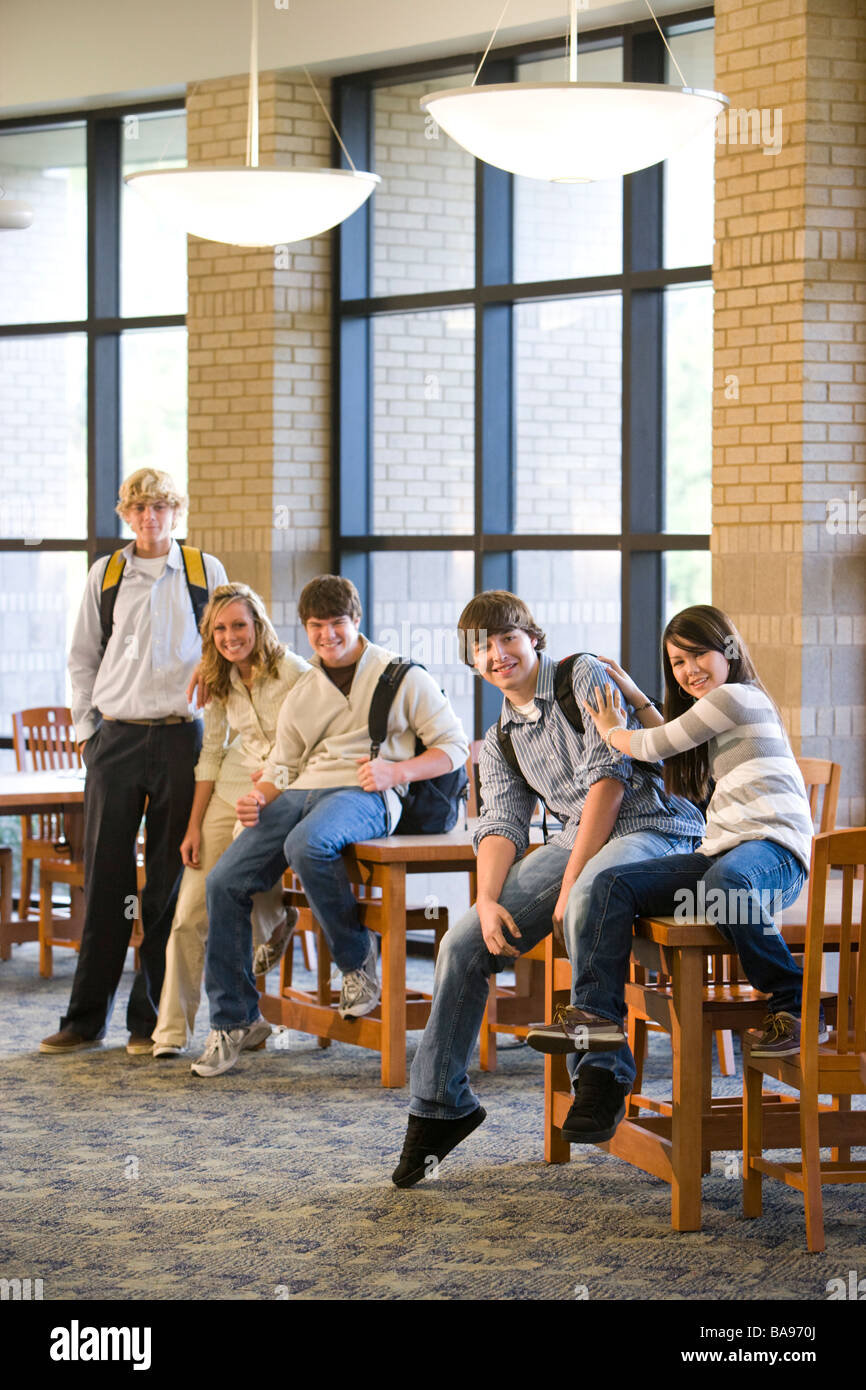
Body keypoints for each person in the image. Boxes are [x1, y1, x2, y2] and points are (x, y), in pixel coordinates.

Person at [390, 590, 705, 1187]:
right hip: (577, 841)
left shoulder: (580, 675)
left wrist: (573, 881)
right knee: (463, 943)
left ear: (531, 637)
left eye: (507, 638)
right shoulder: (503, 734)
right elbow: (501, 824)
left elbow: (608, 782)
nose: (497, 654)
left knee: (590, 895)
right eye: (482, 648)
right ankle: (440, 1106)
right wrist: (485, 902)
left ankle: (602, 1071)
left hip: (655, 828)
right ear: (473, 663)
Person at [528, 604, 817, 1147]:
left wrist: (613, 726)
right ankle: (597, 1017)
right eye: (677, 662)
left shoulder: (739, 698)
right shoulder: (717, 710)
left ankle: (792, 1004)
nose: (689, 671)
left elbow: (654, 745)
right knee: (610, 883)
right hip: (724, 853)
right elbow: (677, 743)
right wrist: (637, 699)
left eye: (698, 655)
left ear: (727, 649)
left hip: (773, 852)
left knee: (725, 886)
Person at [190, 574, 470, 1078]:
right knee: (223, 881)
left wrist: (397, 771)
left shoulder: (400, 676)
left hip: (368, 792)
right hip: (302, 791)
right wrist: (259, 795)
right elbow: (284, 762)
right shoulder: (306, 687)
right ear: (305, 629)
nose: (326, 636)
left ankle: (356, 961)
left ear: (355, 620)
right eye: (316, 627)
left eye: (336, 624)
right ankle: (234, 1019)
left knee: (308, 844)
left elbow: (454, 746)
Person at [40, 469, 227, 1055]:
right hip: (114, 744)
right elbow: (81, 659)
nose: (151, 518)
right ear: (127, 515)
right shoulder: (107, 574)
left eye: (161, 508)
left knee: (167, 888)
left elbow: (229, 645)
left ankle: (149, 1022)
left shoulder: (205, 572)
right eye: (140, 508)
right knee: (107, 884)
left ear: (177, 513)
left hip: (180, 741)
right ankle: (83, 1020)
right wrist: (86, 736)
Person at [151, 583, 310, 1058]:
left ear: (258, 625)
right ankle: (171, 1032)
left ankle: (248, 1002)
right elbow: (211, 753)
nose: (230, 636)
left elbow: (305, 747)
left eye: (239, 625)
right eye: (219, 629)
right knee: (188, 912)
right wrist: (194, 824)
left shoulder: (296, 674)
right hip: (228, 786)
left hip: (279, 786)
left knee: (237, 889)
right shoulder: (217, 678)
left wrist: (272, 790)